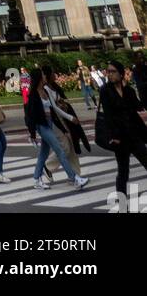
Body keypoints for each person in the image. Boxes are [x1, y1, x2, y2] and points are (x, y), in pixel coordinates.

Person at [24, 68, 88, 192]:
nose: (44, 76)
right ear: (38, 77)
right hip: (41, 126)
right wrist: (32, 133)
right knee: (60, 150)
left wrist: (68, 119)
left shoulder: (44, 91)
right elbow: (30, 116)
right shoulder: (33, 95)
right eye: (43, 74)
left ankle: (37, 179)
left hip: (49, 124)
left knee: (43, 154)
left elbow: (54, 108)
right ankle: (74, 178)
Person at [98, 59, 147, 200]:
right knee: (123, 172)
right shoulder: (105, 91)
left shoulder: (128, 90)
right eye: (108, 71)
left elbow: (138, 107)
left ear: (121, 73)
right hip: (120, 139)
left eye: (113, 71)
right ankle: (122, 202)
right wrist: (113, 136)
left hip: (134, 135)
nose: (110, 74)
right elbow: (108, 115)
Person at [43, 65, 89, 175]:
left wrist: (64, 104)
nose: (55, 75)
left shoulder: (54, 86)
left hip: (63, 119)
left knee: (71, 145)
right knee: (65, 146)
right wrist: (70, 117)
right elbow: (53, 107)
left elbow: (60, 101)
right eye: (53, 73)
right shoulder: (46, 89)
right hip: (56, 121)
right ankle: (48, 165)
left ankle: (76, 174)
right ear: (48, 75)